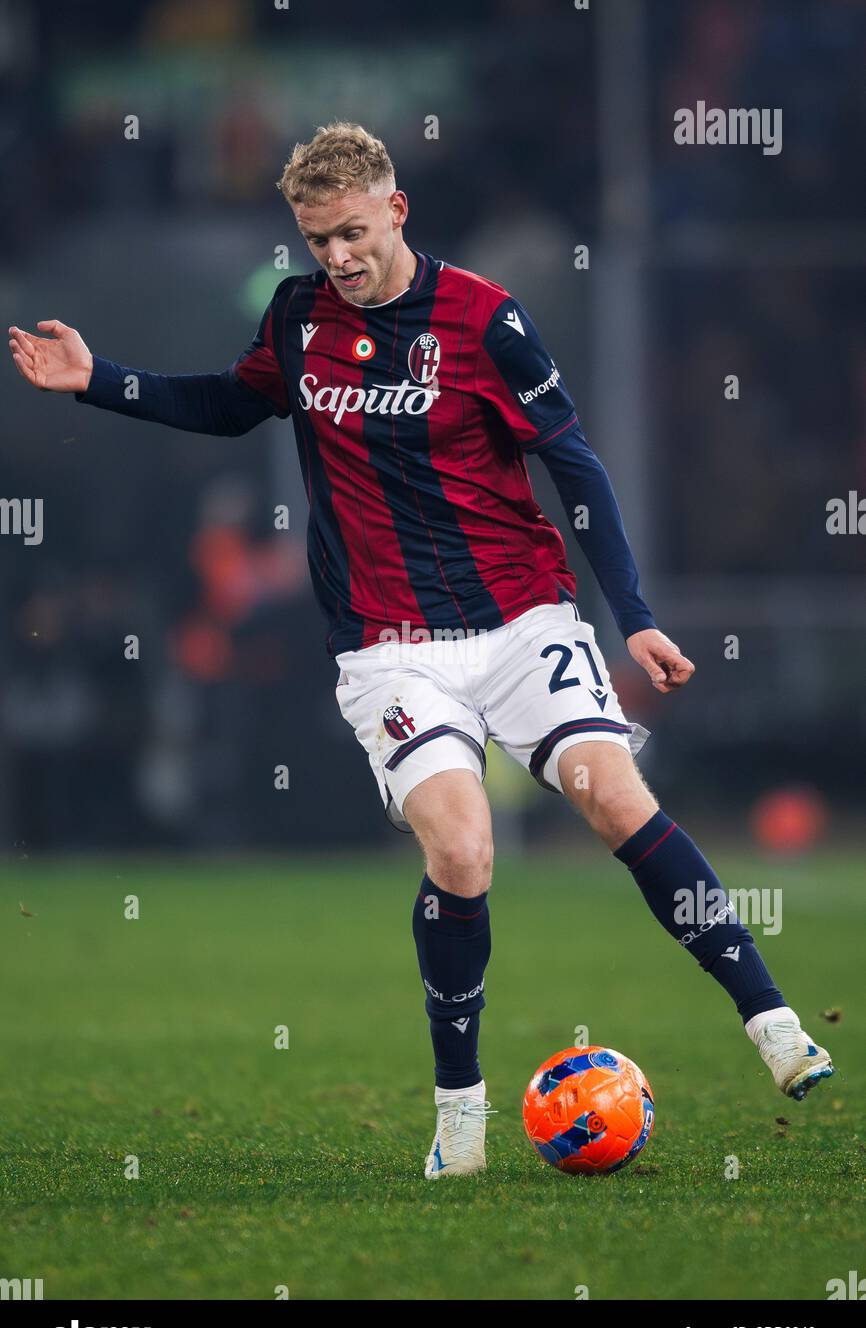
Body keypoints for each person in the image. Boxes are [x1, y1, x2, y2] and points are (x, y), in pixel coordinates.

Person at [9, 121, 833, 1180]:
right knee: (461, 849)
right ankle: (460, 1113)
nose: (337, 259)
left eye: (351, 232)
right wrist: (98, 380)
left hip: (520, 620)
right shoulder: (298, 317)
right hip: (388, 648)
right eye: (317, 241)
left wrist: (632, 614)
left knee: (615, 798)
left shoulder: (485, 320)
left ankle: (769, 1023)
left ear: (395, 210)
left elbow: (573, 465)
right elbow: (230, 402)